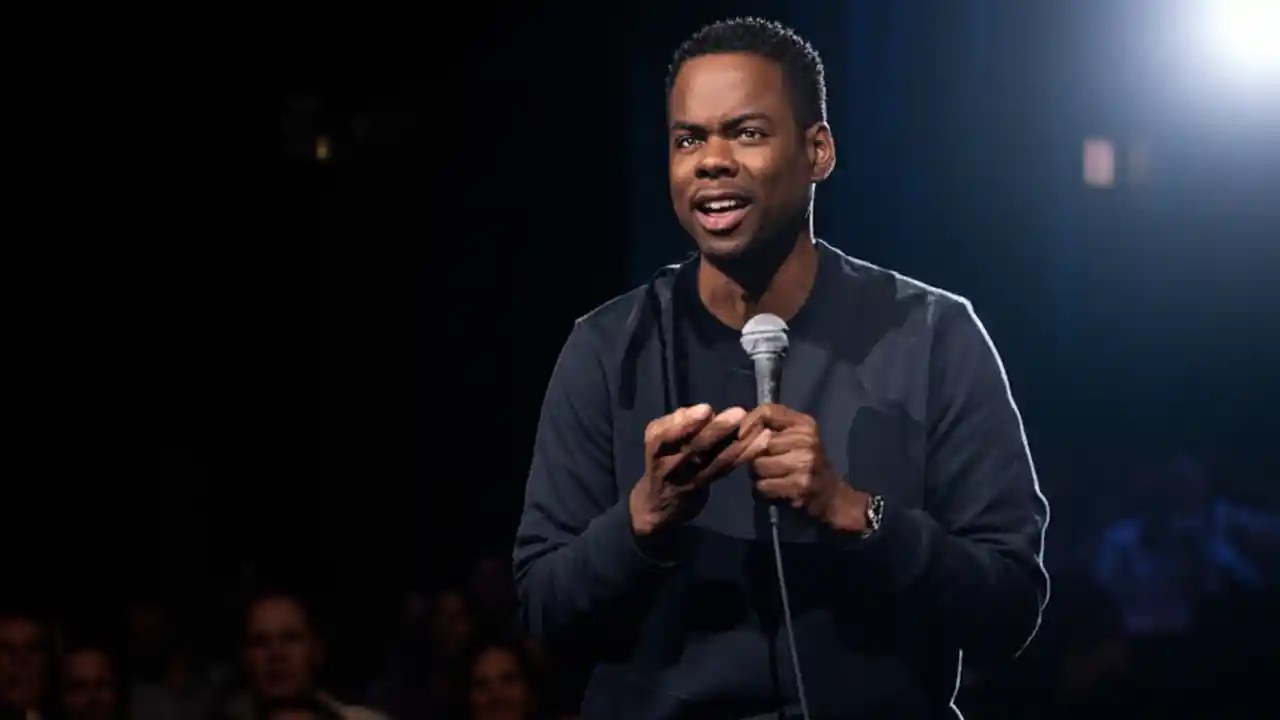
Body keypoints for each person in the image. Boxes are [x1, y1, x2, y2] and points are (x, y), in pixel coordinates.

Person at [512, 16, 1050, 719]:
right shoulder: (607, 348)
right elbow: (540, 609)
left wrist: (854, 514)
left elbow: (1008, 608)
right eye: (688, 140)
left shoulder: (932, 336)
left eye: (746, 132)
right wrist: (643, 518)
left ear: (817, 150)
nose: (710, 160)